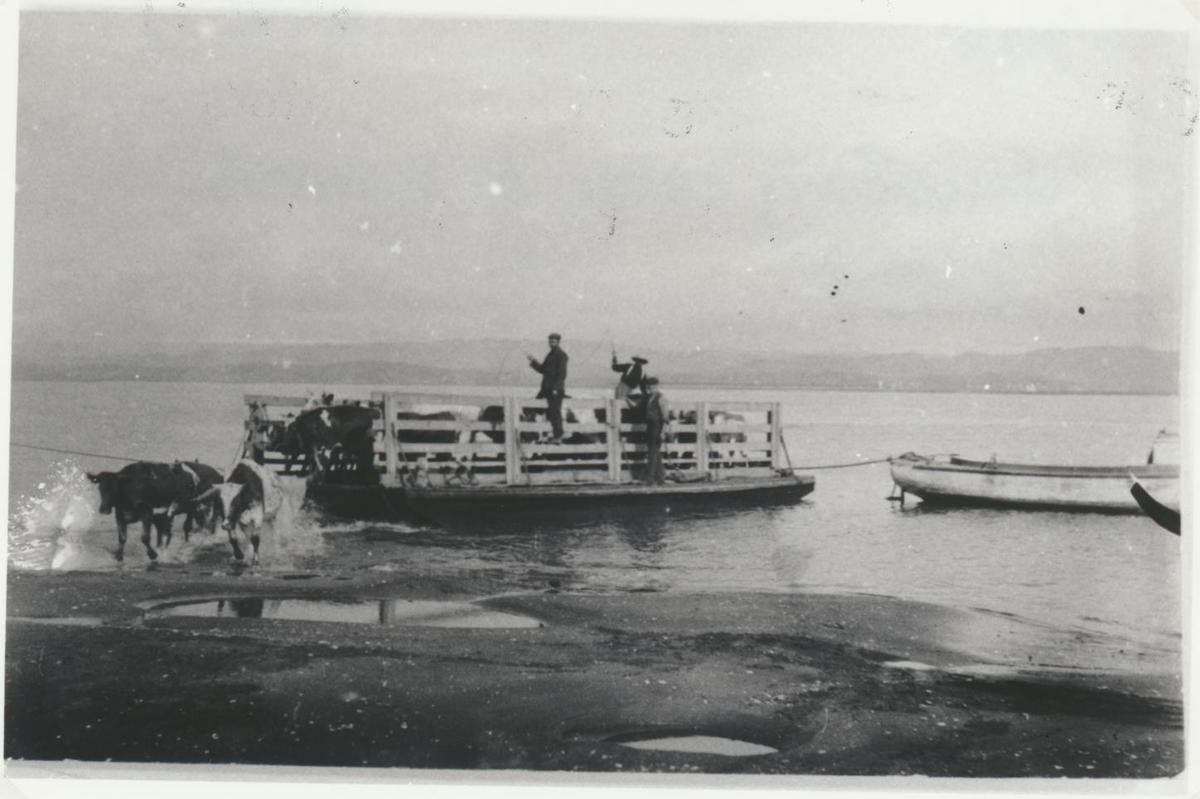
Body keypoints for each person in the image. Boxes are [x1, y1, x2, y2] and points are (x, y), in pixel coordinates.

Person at [527, 333, 569, 442]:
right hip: (546, 389)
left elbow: (562, 374)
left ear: (558, 342)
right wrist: (533, 361)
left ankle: (558, 436)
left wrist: (555, 388)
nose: (551, 344)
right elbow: (542, 369)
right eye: (550, 341)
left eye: (553, 342)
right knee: (531, 408)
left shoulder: (562, 355)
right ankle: (532, 434)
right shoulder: (550, 355)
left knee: (554, 412)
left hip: (556, 390)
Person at [643, 377, 669, 485]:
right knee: (655, 453)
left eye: (653, 386)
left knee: (652, 452)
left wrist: (663, 432)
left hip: (657, 426)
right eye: (649, 386)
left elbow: (665, 417)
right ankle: (660, 478)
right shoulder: (649, 397)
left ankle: (650, 479)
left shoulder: (661, 398)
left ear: (657, 386)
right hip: (650, 426)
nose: (650, 388)